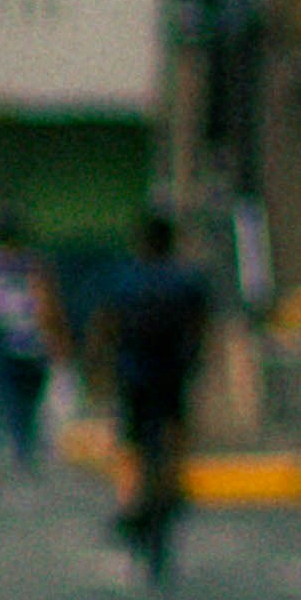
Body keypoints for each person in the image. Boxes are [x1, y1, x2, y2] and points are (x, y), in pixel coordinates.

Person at [99, 209, 211, 580]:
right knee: (175, 433)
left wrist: (101, 366)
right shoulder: (187, 280)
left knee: (131, 444)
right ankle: (174, 487)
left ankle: (130, 502)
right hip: (172, 374)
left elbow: (107, 325)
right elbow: (201, 327)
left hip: (133, 374)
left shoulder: (124, 278)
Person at [0, 214, 63, 467]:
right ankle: (19, 447)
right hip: (22, 334)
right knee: (20, 394)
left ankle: (7, 446)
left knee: (7, 392)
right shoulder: (30, 263)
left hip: (4, 334)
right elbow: (48, 303)